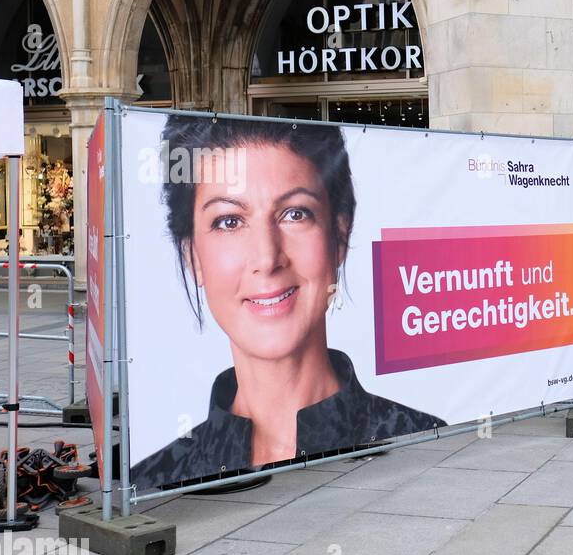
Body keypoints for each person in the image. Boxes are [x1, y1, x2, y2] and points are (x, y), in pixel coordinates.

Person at [132, 116, 444, 491]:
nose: (267, 258)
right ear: (191, 255)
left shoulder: (421, 438)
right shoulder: (153, 481)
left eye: (295, 214)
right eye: (229, 221)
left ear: (339, 236)